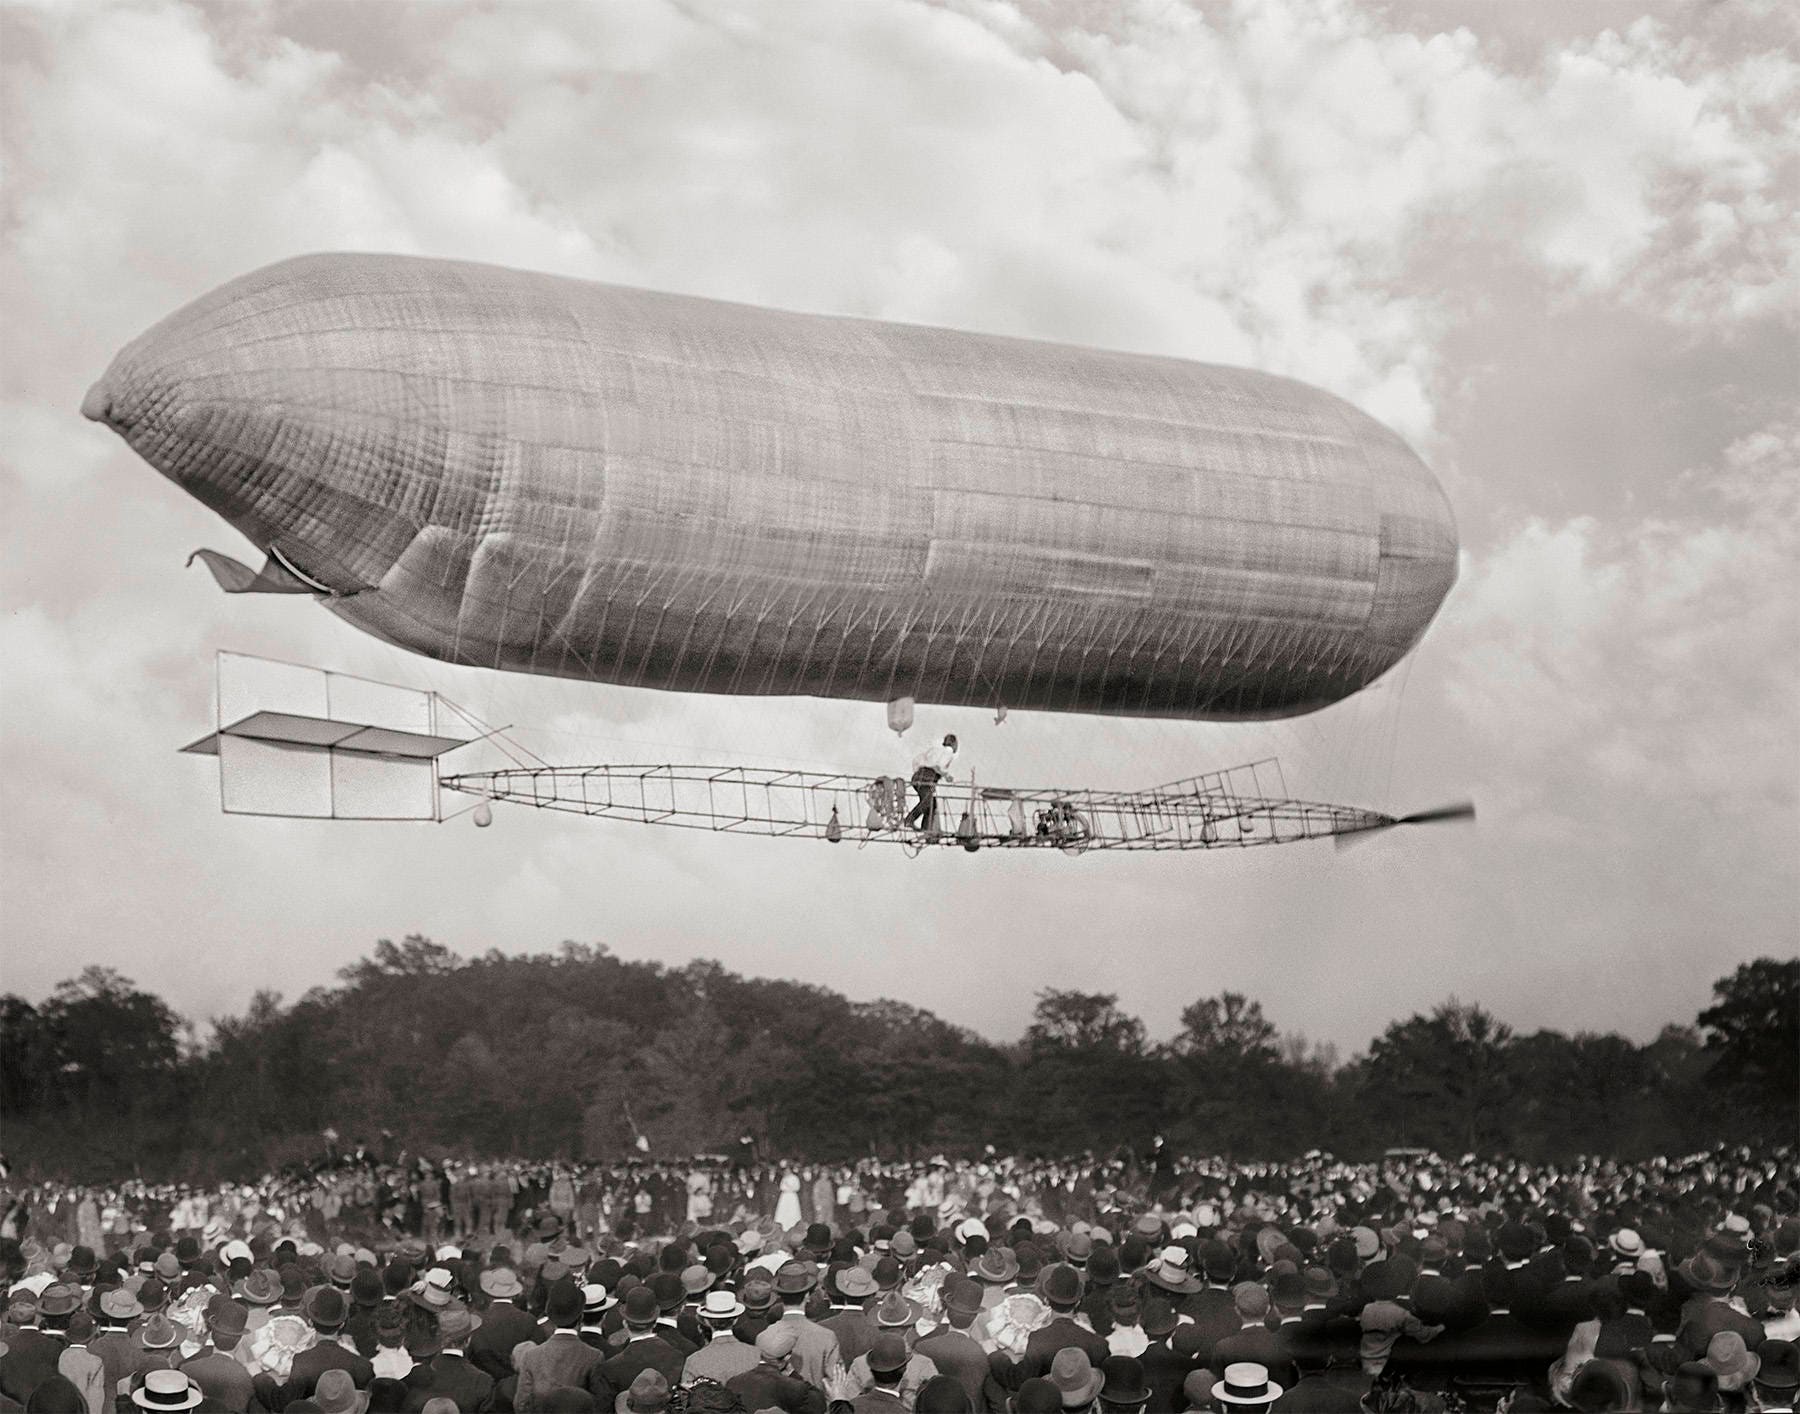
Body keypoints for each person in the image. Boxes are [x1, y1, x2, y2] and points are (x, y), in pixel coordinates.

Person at [903, 735, 958, 835]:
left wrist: (919, 771)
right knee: (927, 801)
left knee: (932, 803)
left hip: (918, 777)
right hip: (927, 778)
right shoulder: (948, 752)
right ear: (953, 744)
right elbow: (938, 766)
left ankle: (926, 828)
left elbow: (917, 760)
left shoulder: (935, 749)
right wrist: (947, 776)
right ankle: (910, 820)